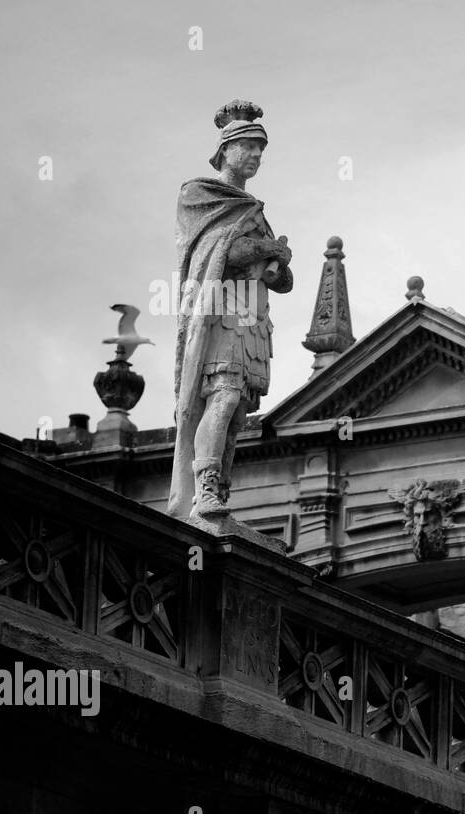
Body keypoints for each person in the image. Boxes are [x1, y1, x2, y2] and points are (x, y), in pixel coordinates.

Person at [168, 100, 293, 518]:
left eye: (263, 149)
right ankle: (203, 487)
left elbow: (283, 282)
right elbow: (221, 252)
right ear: (227, 149)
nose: (258, 156)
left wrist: (277, 263)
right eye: (251, 147)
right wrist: (266, 250)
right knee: (220, 398)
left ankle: (219, 490)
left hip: (253, 322)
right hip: (221, 316)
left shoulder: (256, 212)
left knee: (238, 411)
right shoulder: (200, 194)